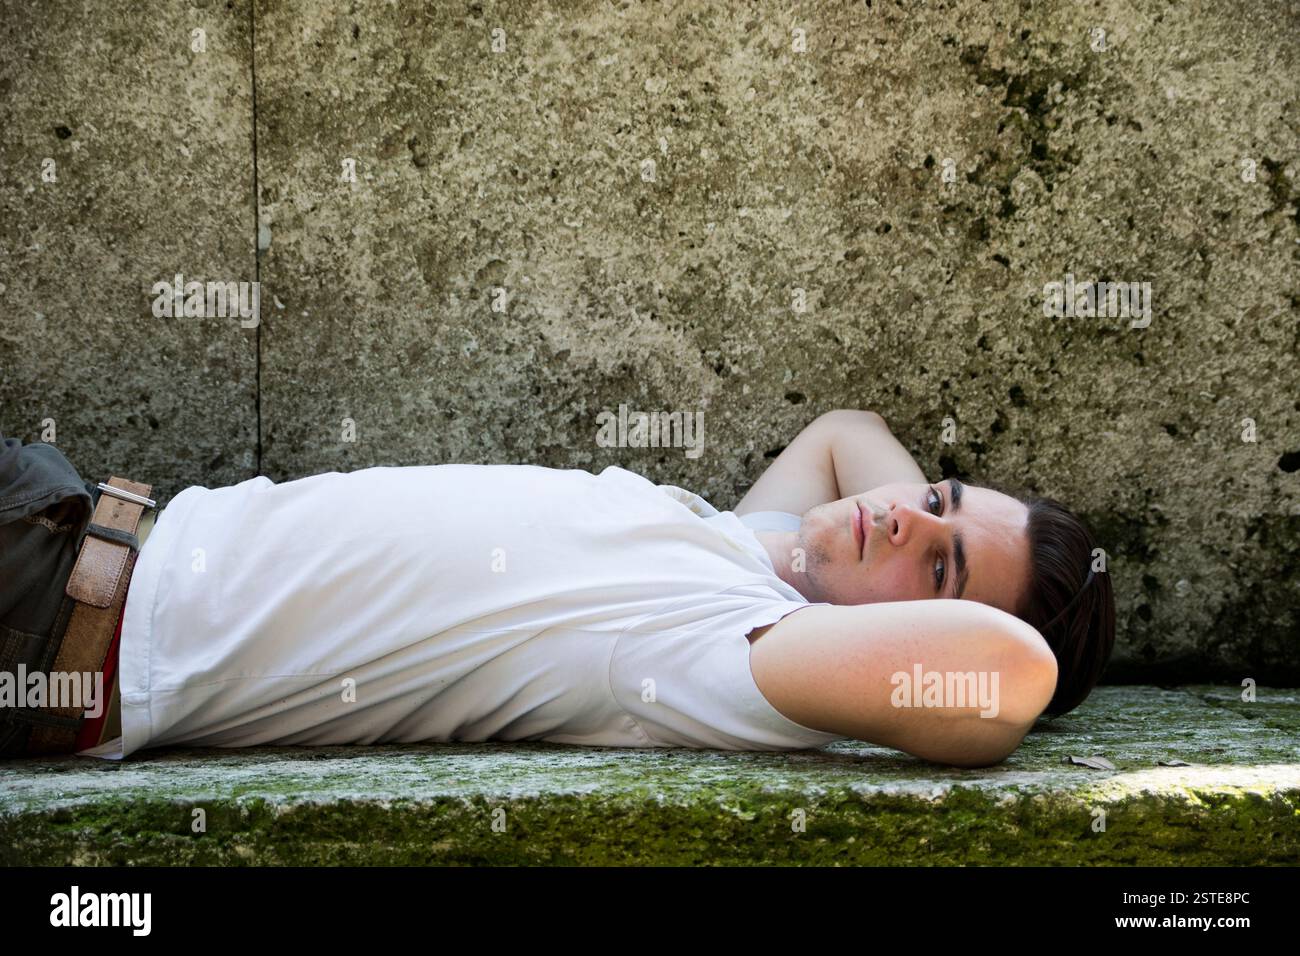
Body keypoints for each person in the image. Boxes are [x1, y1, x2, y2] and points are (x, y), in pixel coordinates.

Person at [4, 409, 1114, 768]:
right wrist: (915, 530)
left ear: (921, 625)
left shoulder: (724, 651)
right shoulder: (746, 546)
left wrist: (929, 593)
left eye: (939, 565)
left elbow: (1005, 670)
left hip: (56, 625)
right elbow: (845, 431)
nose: (905, 511)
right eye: (937, 492)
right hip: (75, 518)